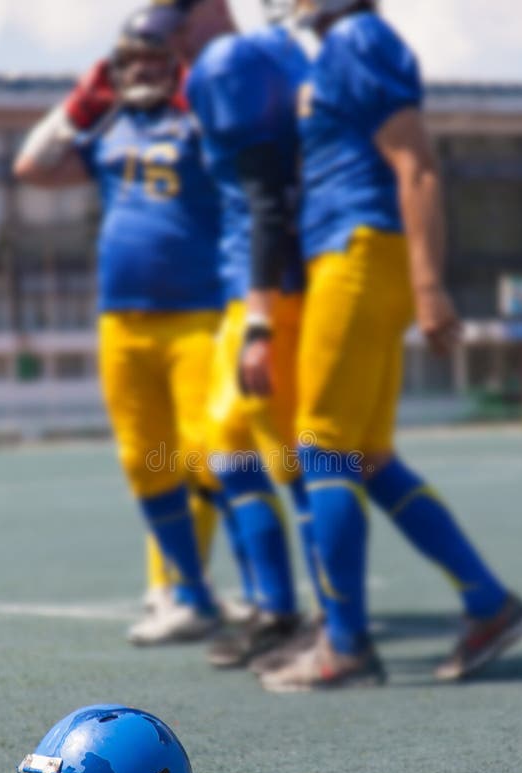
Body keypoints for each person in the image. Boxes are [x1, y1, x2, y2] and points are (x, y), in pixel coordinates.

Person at [260, 0, 522, 691]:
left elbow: (417, 163)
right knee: (369, 460)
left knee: (323, 448)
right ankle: (488, 604)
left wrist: (430, 285)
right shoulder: (340, 48)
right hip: (354, 251)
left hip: (358, 251)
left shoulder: (356, 36)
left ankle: (345, 646)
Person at [14, 6, 245, 644]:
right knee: (149, 461)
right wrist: (77, 107)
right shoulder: (106, 134)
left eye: (154, 59)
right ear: (115, 72)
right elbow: (32, 167)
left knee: (211, 458)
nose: (143, 69)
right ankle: (186, 592)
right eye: (131, 61)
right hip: (123, 321)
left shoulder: (198, 120)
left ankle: (259, 593)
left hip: (196, 315)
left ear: (173, 63)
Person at [160, 0, 326, 669]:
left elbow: (265, 193)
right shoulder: (250, 59)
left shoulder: (230, 60)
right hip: (251, 284)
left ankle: (329, 623)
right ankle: (278, 609)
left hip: (269, 291)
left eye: (177, 13)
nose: (167, 27)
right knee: (229, 448)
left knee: (293, 457)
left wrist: (258, 314)